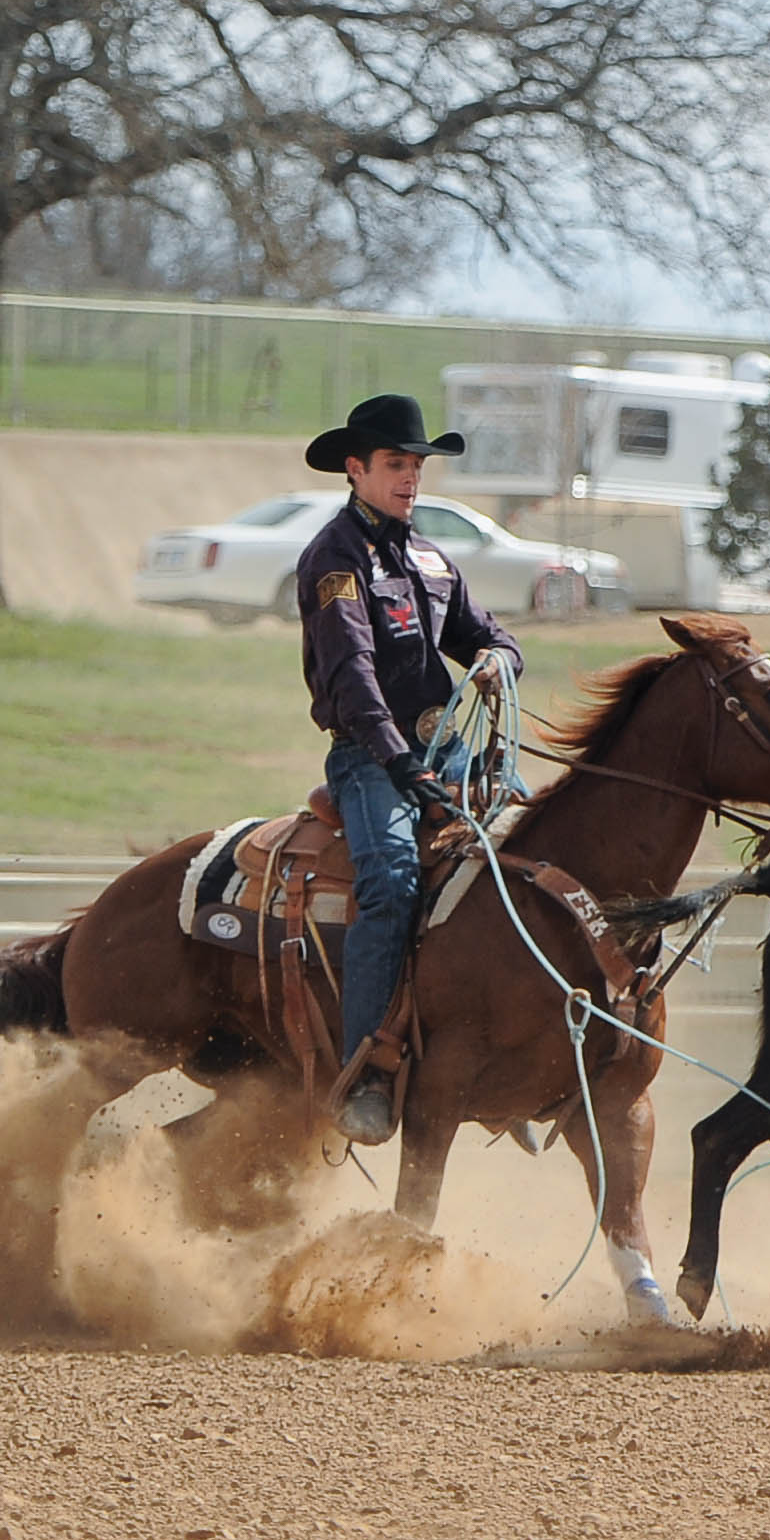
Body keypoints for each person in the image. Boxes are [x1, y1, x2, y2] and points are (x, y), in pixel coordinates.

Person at [294, 393, 520, 1142]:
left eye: (417, 465)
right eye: (395, 464)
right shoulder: (335, 559)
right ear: (355, 470)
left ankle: (518, 1052)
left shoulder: (428, 556)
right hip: (371, 756)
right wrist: (404, 765)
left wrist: (496, 661)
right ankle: (364, 1071)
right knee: (390, 880)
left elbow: (492, 636)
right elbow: (353, 676)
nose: (410, 477)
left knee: (530, 855)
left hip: (443, 752)